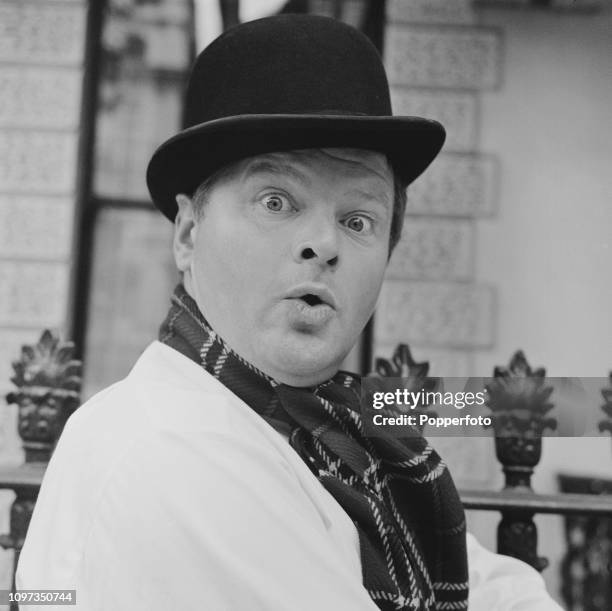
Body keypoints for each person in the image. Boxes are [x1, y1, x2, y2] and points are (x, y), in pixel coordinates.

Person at [17, 14, 562, 611]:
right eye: (276, 201)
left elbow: (497, 590)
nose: (322, 244)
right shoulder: (168, 450)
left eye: (358, 220)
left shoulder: (338, 440)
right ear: (189, 231)